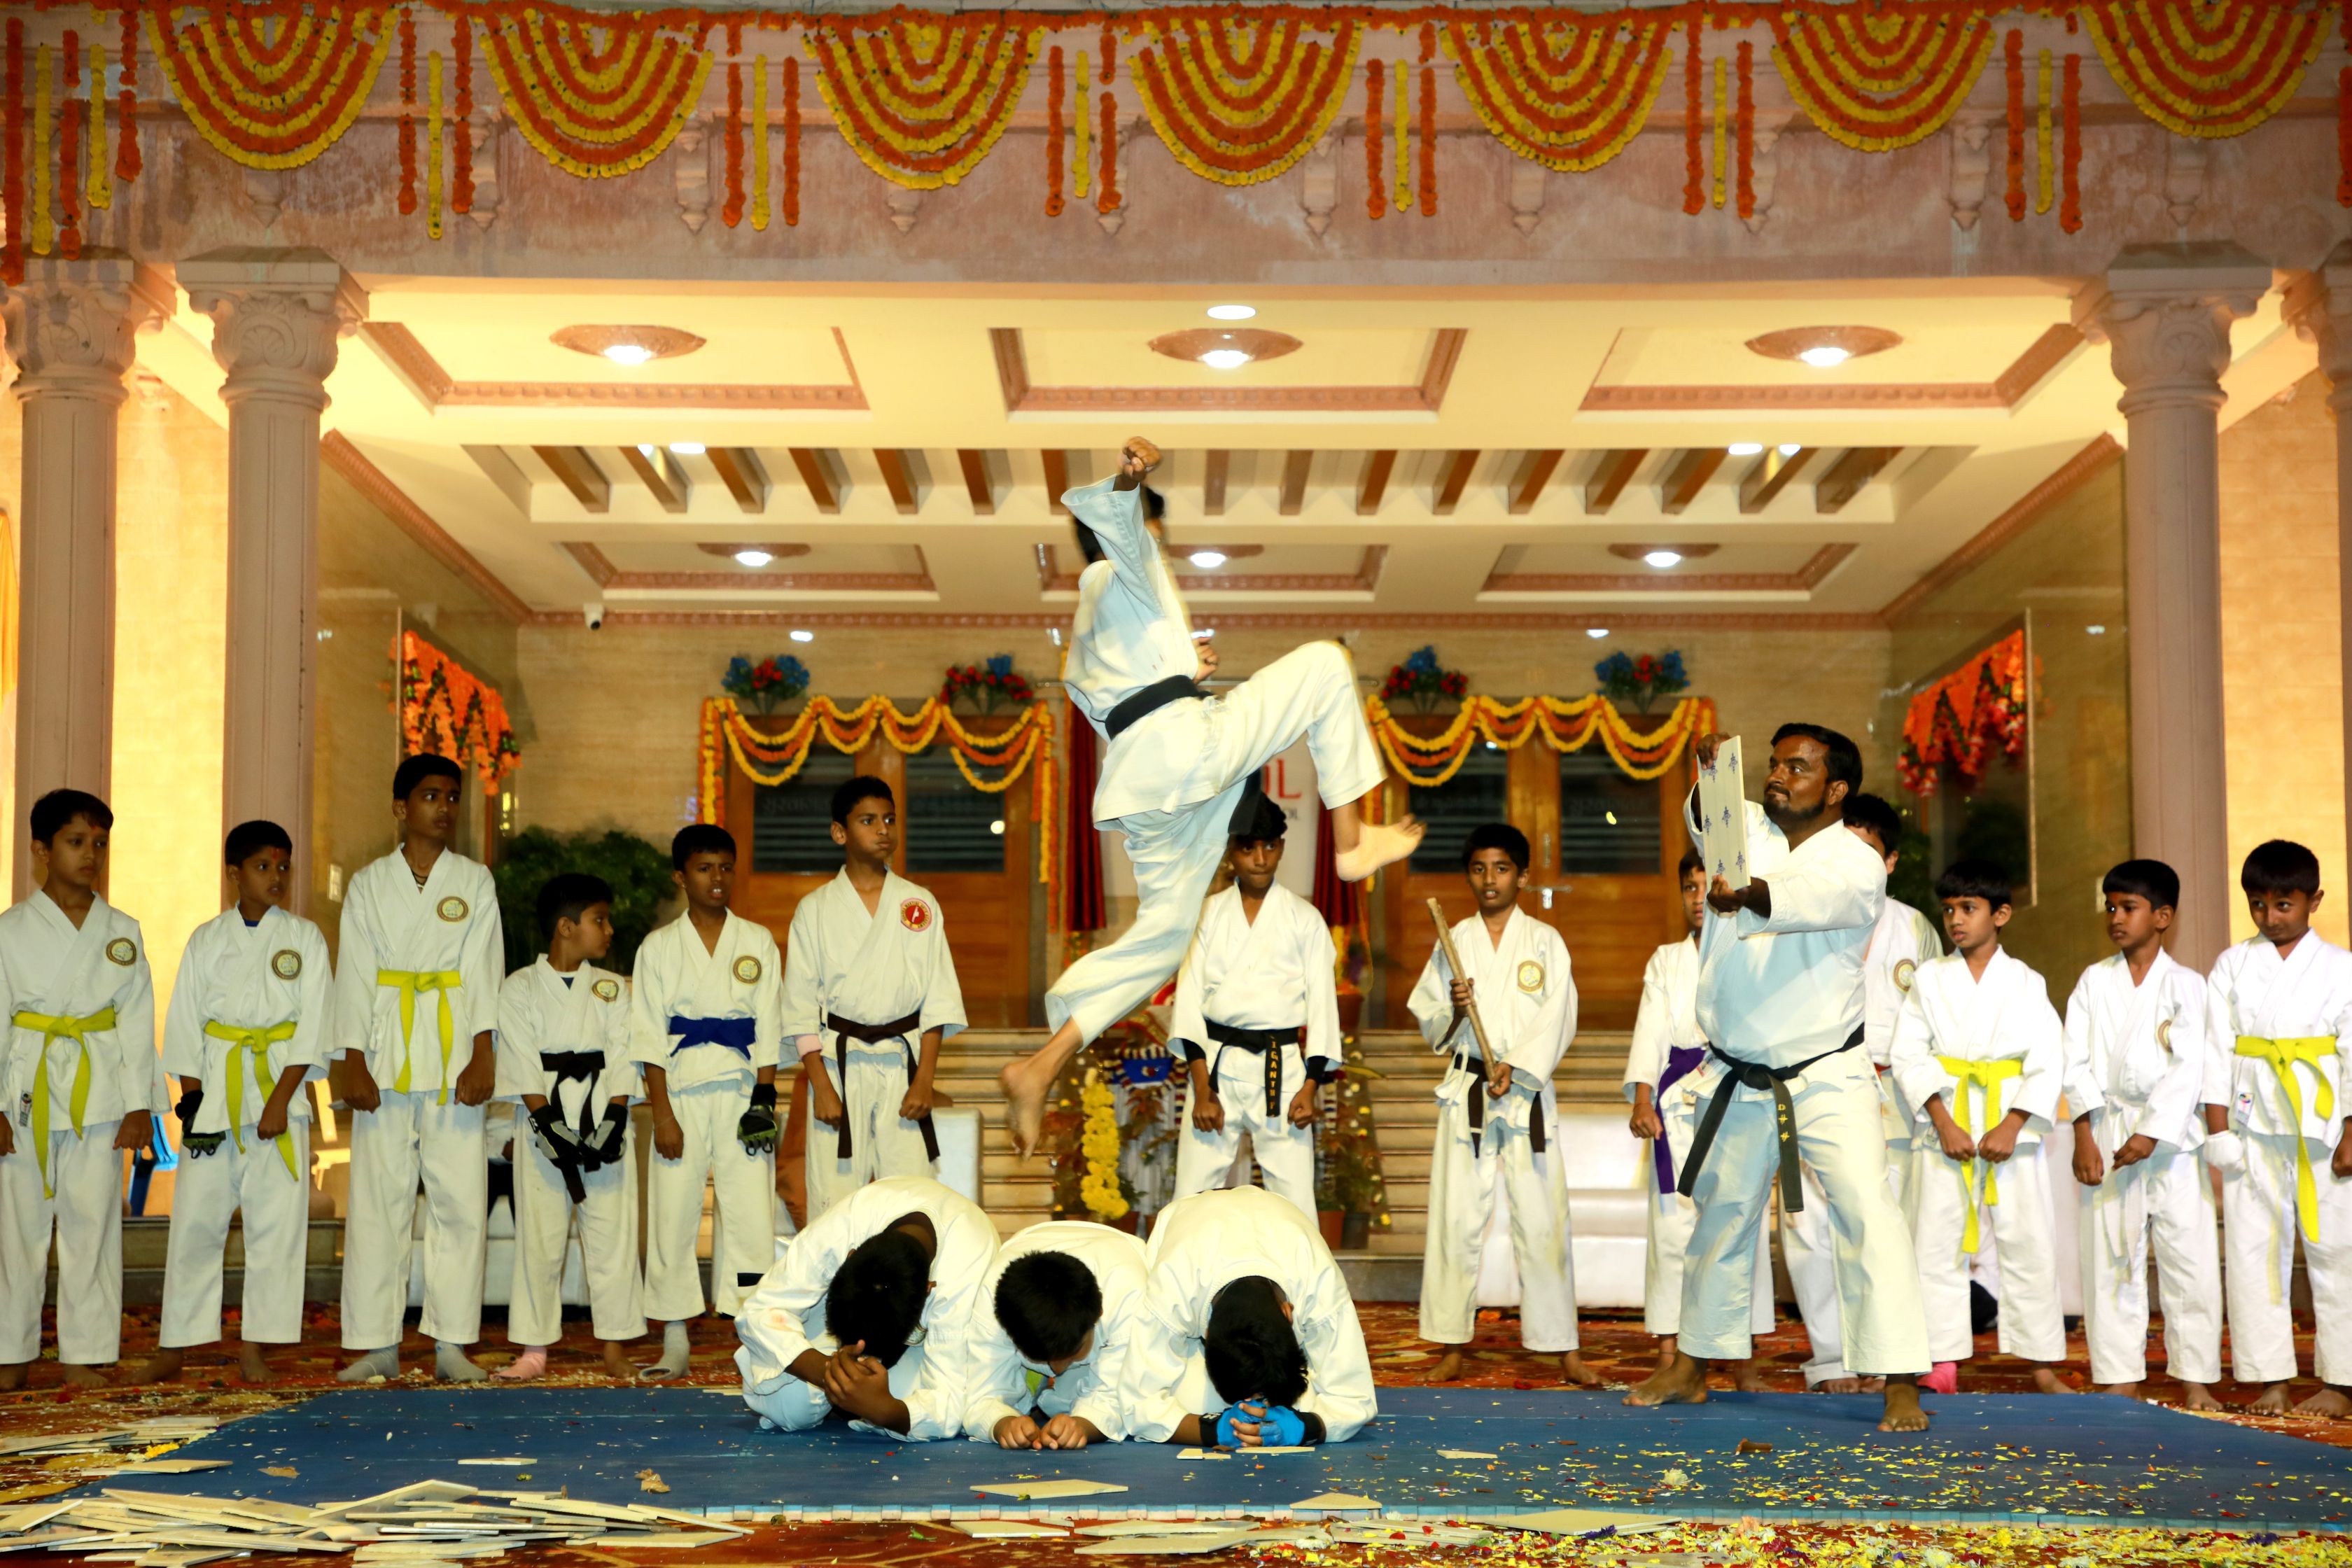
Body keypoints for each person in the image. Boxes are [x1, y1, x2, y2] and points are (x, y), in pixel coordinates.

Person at [997, 435, 1422, 1156]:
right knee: (1326, 664)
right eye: (1157, 536)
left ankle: (1040, 1065)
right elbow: (1124, 531)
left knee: (1165, 939)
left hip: (1150, 788)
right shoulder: (1123, 566)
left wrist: (1182, 674)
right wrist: (1130, 482)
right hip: (1181, 753)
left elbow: (1121, 698)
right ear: (1146, 531)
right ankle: (1351, 841)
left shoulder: (1095, 624)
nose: (1160, 550)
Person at [1626, 724, 1931, 1433]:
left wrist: (1749, 895)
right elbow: (1705, 816)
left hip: (1827, 1071)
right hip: (1738, 1070)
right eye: (1774, 764)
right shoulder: (1745, 829)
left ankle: (1900, 1379)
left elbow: (1812, 898)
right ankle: (1692, 1366)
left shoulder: (1856, 860)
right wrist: (1710, 772)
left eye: (1798, 767)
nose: (1778, 776)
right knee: (1721, 1216)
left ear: (1836, 789)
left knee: (1868, 1213)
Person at [334, 756, 505, 1384]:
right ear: (401, 808)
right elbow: (354, 974)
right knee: (379, 1201)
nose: (444, 807)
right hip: (384, 1051)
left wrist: (483, 1052)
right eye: (431, 796)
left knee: (460, 1200)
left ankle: (452, 1341)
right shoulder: (368, 884)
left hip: (454, 1052)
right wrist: (352, 1059)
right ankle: (376, 1343)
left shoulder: (474, 881)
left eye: (453, 797)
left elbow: (485, 970)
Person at [141, 822, 329, 1386]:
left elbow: (314, 1027)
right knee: (196, 1224)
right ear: (234, 874)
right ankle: (175, 1345)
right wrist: (192, 1103)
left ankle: (255, 1347)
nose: (276, 877)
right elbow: (185, 1024)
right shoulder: (207, 939)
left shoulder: (305, 939)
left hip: (279, 1092)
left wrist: (280, 1100)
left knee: (276, 1228)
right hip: (215, 1096)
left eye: (283, 867)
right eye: (262, 867)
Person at [1410, 823, 1591, 1386]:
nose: (1490, 879)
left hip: (1526, 1092)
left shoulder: (1545, 942)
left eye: (1502, 868)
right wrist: (1456, 1009)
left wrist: (1518, 1065)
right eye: (1479, 868)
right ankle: (1450, 1345)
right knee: (1456, 1218)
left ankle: (1562, 1346)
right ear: (1469, 876)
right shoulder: (1454, 940)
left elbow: (1559, 1014)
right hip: (1468, 1088)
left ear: (1523, 876)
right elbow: (1430, 1018)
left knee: (1543, 1219)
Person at [1782, 791, 1944, 1394]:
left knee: (1880, 1227)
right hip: (1813, 1080)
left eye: (1868, 852)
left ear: (1891, 862)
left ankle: (1883, 1358)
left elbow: (1937, 1022)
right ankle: (1830, 1360)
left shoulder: (1915, 928)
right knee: (1809, 1226)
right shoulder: (1802, 913)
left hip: (1891, 1091)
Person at [1889, 859, 2068, 1394]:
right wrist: (1943, 1121)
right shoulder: (1929, 979)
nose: (1956, 920)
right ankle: (1939, 1360)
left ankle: (2041, 1364)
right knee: (1935, 1244)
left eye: (1969, 908)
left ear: (2001, 914)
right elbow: (1908, 1055)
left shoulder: (2027, 982)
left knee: (2028, 1243)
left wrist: (2013, 1123)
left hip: (2011, 1128)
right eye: (1948, 910)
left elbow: (2048, 1060)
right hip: (1946, 1126)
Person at [0, 790, 160, 1390]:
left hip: (100, 1096)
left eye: (99, 843)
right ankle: (10, 1353)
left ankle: (84, 1354)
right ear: (41, 850)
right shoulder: (9, 931)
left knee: (93, 1225)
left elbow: (137, 1023)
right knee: (17, 1229)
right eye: (76, 842)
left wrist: (140, 1105)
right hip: (25, 1095)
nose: (91, 854)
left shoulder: (122, 932)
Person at [2062, 858, 2221, 1408]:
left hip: (2173, 1141)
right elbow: (2074, 1062)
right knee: (2109, 1256)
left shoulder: (2186, 984)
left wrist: (2152, 1132)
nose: (2115, 917)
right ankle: (2117, 1374)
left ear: (2162, 916)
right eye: (2110, 906)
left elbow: (2190, 1064)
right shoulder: (2093, 981)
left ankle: (2195, 1377)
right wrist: (2084, 1135)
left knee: (2188, 1257)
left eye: (2128, 907)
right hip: (2108, 1129)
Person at [2204, 839, 2352, 1417]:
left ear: (2315, 900)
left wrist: (2351, 1129)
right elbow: (2215, 1050)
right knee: (2253, 1250)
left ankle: (2340, 1381)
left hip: (2323, 1128)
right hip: (2252, 1125)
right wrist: (2219, 1129)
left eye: (2284, 904)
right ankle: (2271, 1377)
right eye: (2258, 905)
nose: (2270, 917)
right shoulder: (2232, 964)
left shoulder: (2341, 966)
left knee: (2336, 1248)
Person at [633, 824, 784, 1380]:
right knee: (673, 1213)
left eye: (725, 867)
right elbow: (647, 1035)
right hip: (681, 1094)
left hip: (743, 1094)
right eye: (704, 868)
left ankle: (753, 1332)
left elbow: (770, 1024)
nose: (717, 878)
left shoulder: (757, 941)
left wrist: (764, 1100)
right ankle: (675, 1334)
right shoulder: (658, 948)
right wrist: (663, 1115)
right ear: (681, 876)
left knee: (750, 1216)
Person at [784, 776, 966, 1222]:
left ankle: (907, 1268)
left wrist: (925, 1080)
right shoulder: (815, 909)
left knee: (910, 1198)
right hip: (837, 1065)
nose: (883, 829)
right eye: (868, 821)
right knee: (833, 1201)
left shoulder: (918, 904)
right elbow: (800, 1006)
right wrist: (821, 1087)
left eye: (889, 819)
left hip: (903, 1065)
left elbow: (938, 998)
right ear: (839, 832)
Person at [1623, 848, 1770, 1391]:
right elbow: (1650, 1030)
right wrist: (1642, 1099)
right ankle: (1670, 1352)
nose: (1697, 898)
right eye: (1689, 887)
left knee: (1740, 1223)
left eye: (1707, 887)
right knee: (1672, 1228)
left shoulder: (1753, 950)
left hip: (1738, 1093)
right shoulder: (1667, 960)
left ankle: (1743, 1358)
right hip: (1677, 1102)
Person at [494, 872, 643, 1382]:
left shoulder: (611, 987)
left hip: (603, 1116)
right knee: (539, 1237)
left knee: (613, 1235)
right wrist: (547, 1125)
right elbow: (519, 1058)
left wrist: (616, 1118)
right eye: (600, 920)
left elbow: (623, 1052)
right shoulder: (519, 987)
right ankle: (534, 1348)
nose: (609, 930)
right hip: (543, 1119)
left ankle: (615, 1346)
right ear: (565, 927)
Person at [1168, 794, 1338, 1218]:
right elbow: (1188, 1005)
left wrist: (1311, 1086)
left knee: (1296, 1201)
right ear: (1230, 852)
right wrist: (1203, 1091)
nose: (1260, 859)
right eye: (1248, 848)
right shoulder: (1206, 915)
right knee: (1191, 1195)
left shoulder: (1305, 919)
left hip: (1284, 1068)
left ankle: (1301, 1265)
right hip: (1216, 1069)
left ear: (1282, 847)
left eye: (1270, 847)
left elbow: (1323, 1008)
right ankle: (1181, 1263)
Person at [735, 1173, 997, 1438]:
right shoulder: (847, 1224)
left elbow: (950, 1396)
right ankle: (846, 1394)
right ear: (850, 1256)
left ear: (928, 1290)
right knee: (791, 1404)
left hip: (922, 1348)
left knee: (909, 1401)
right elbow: (759, 1309)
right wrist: (830, 1374)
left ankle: (861, 1401)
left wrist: (884, 1410)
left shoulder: (965, 1269)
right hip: (855, 1319)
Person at [1118, 1185, 1376, 1446]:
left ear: (1289, 1312)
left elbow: (1354, 1397)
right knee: (1196, 1401)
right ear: (1206, 1332)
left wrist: (1305, 1428)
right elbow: (1138, 1402)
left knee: (1303, 1404)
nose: (1255, 1403)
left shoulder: (1319, 1282)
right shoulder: (1172, 1286)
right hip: (1187, 1219)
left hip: (1277, 1214)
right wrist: (1214, 1430)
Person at [964, 1221, 1152, 1449]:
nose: (1057, 1368)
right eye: (1041, 1359)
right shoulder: (995, 1303)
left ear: (1098, 1315)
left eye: (1074, 1352)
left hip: (1119, 1252)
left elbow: (1127, 1397)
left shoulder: (1130, 1299)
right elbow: (981, 1392)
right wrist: (1003, 1423)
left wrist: (1083, 1426)